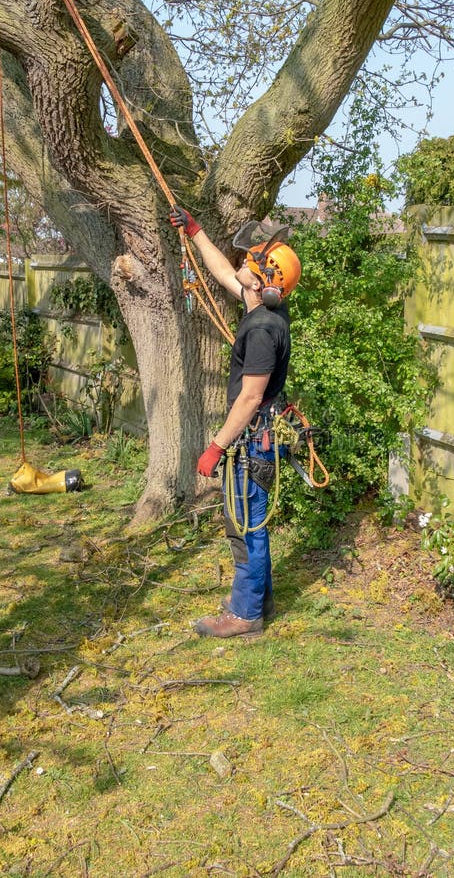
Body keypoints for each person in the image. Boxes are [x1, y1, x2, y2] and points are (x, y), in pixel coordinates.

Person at [169, 206, 301, 638]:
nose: (243, 263)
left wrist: (216, 446)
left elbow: (249, 397)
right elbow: (224, 271)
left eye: (252, 262)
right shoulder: (260, 307)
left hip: (252, 438)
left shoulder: (262, 327)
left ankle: (245, 616)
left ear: (265, 279)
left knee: (245, 523)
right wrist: (196, 232)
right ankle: (256, 599)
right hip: (255, 437)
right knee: (247, 519)